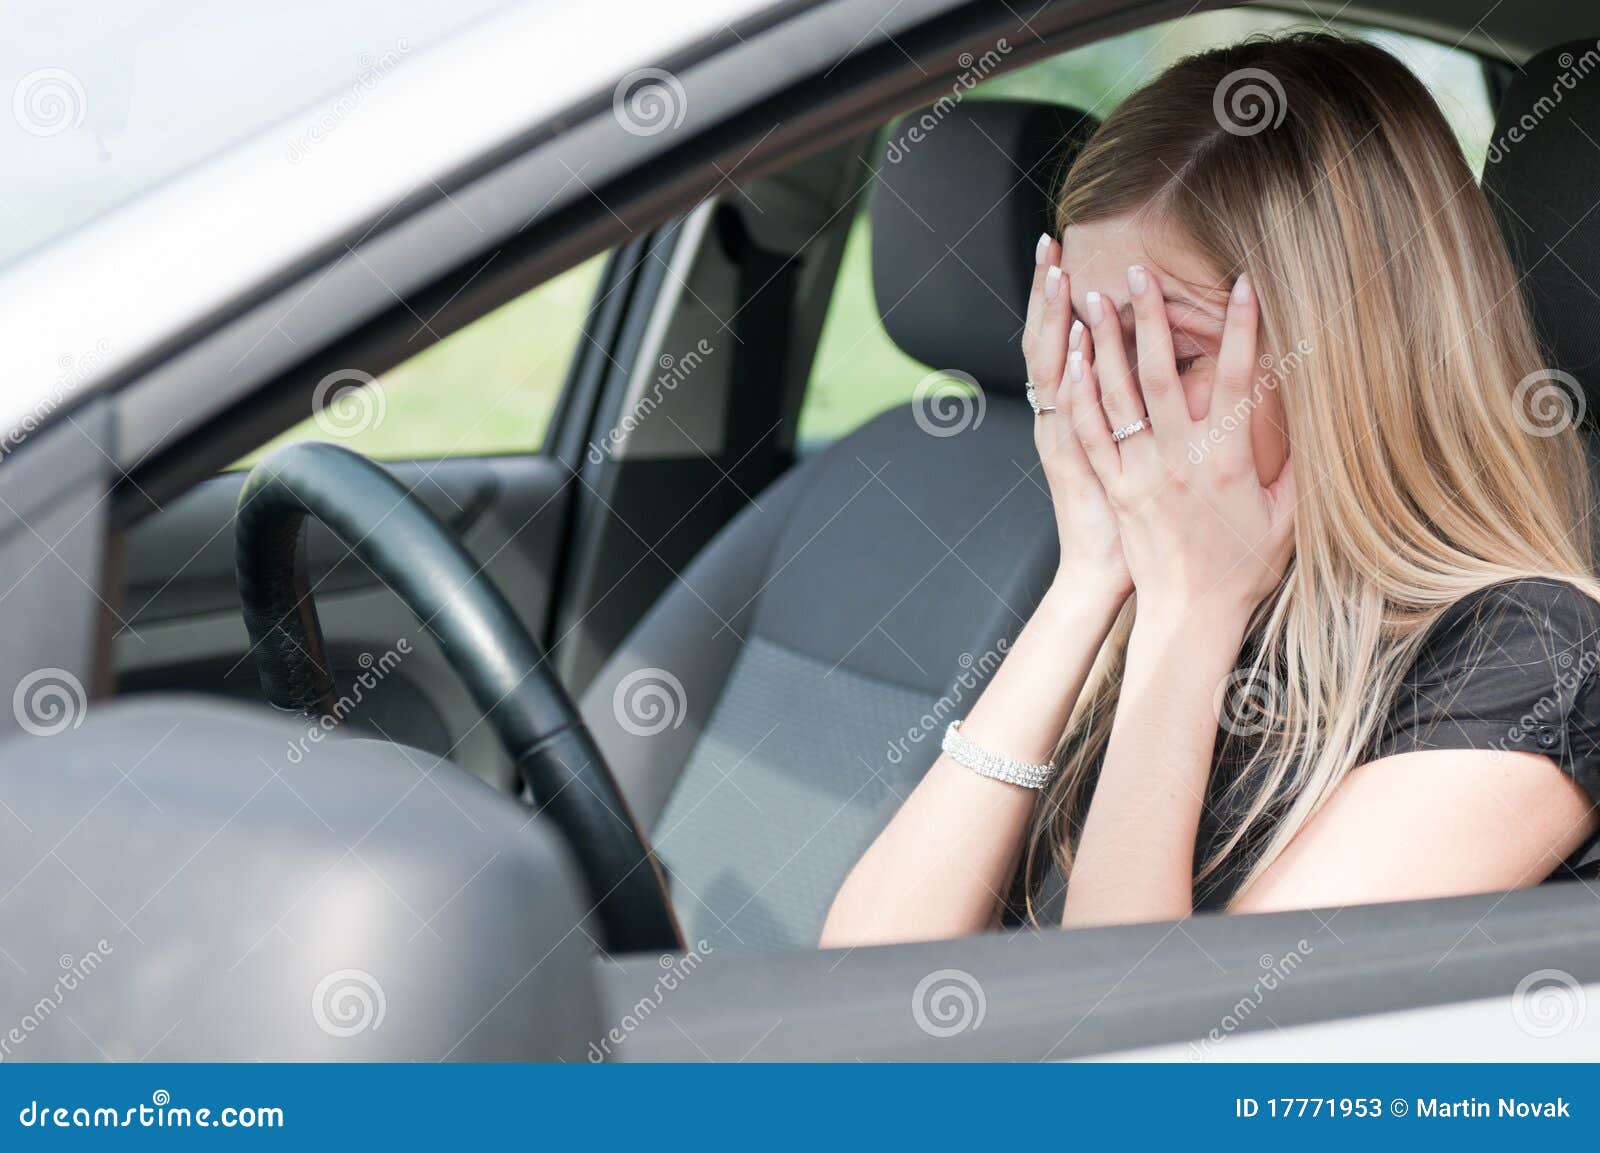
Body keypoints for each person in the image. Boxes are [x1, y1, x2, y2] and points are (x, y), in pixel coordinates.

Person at [821, 31, 1600, 946]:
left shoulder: (1535, 659)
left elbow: (1141, 1042)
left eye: (1167, 355)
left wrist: (1189, 614)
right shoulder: (1174, 579)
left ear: (1343, 361)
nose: (1110, 403)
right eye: (1085, 344)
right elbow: (862, 971)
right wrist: (1087, 580)